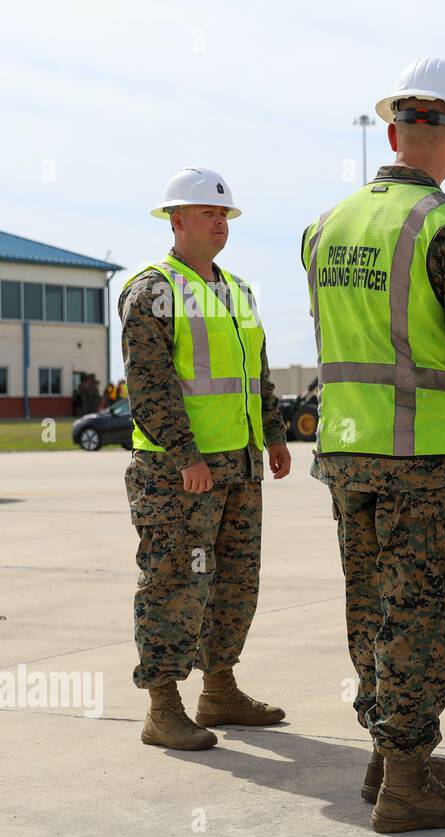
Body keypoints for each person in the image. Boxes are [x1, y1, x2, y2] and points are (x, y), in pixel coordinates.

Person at [304, 57, 445, 832]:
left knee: (373, 605)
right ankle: (408, 782)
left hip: (346, 451)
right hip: (424, 453)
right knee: (432, 613)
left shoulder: (324, 227)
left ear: (392, 132)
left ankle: (389, 754)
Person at [120, 166, 290, 751]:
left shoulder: (237, 289)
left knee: (234, 583)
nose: (220, 222)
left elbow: (256, 373)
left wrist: (274, 435)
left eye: (225, 215)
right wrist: (185, 453)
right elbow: (149, 383)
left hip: (239, 465)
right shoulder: (152, 290)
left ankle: (220, 689)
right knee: (173, 582)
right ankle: (162, 707)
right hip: (179, 473)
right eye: (208, 214)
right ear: (177, 220)